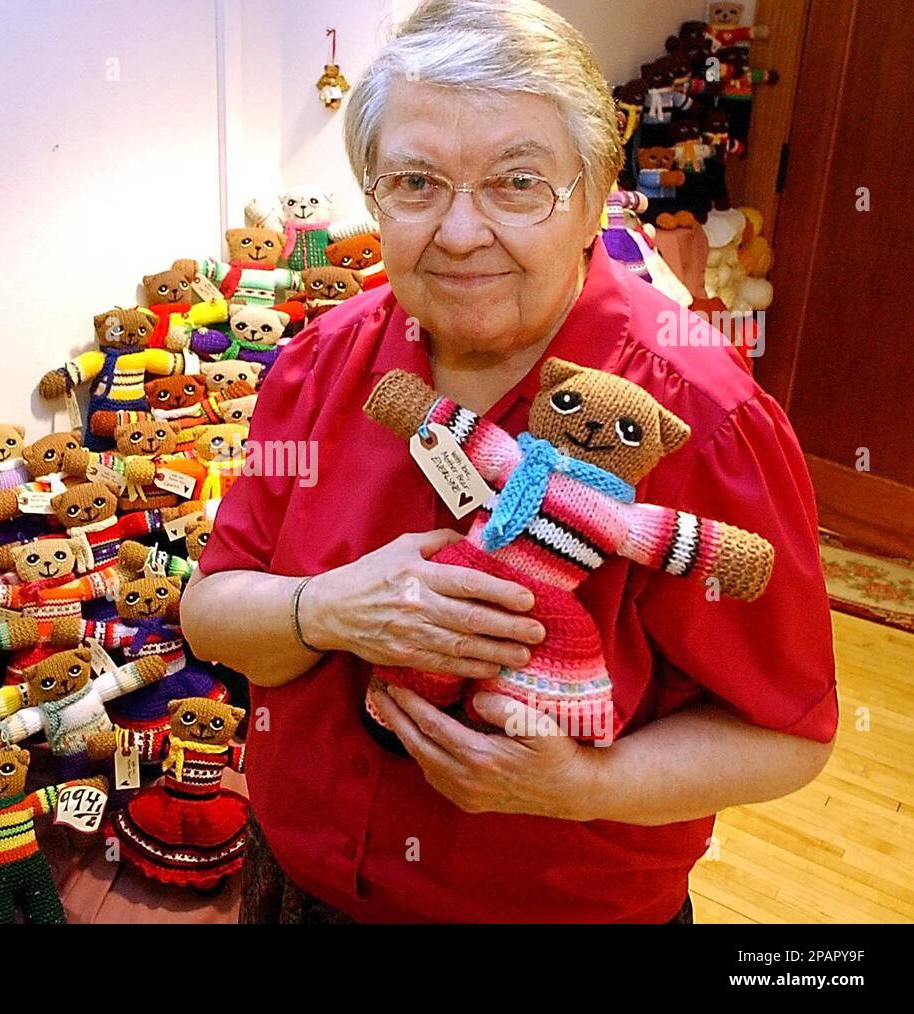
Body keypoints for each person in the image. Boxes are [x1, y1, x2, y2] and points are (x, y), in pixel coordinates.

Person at [180, 0, 837, 924]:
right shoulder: (322, 361)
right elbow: (211, 613)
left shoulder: (701, 415)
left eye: (517, 183)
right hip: (294, 886)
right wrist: (325, 608)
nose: (458, 232)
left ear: (596, 190)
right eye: (415, 182)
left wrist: (576, 784)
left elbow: (790, 738)